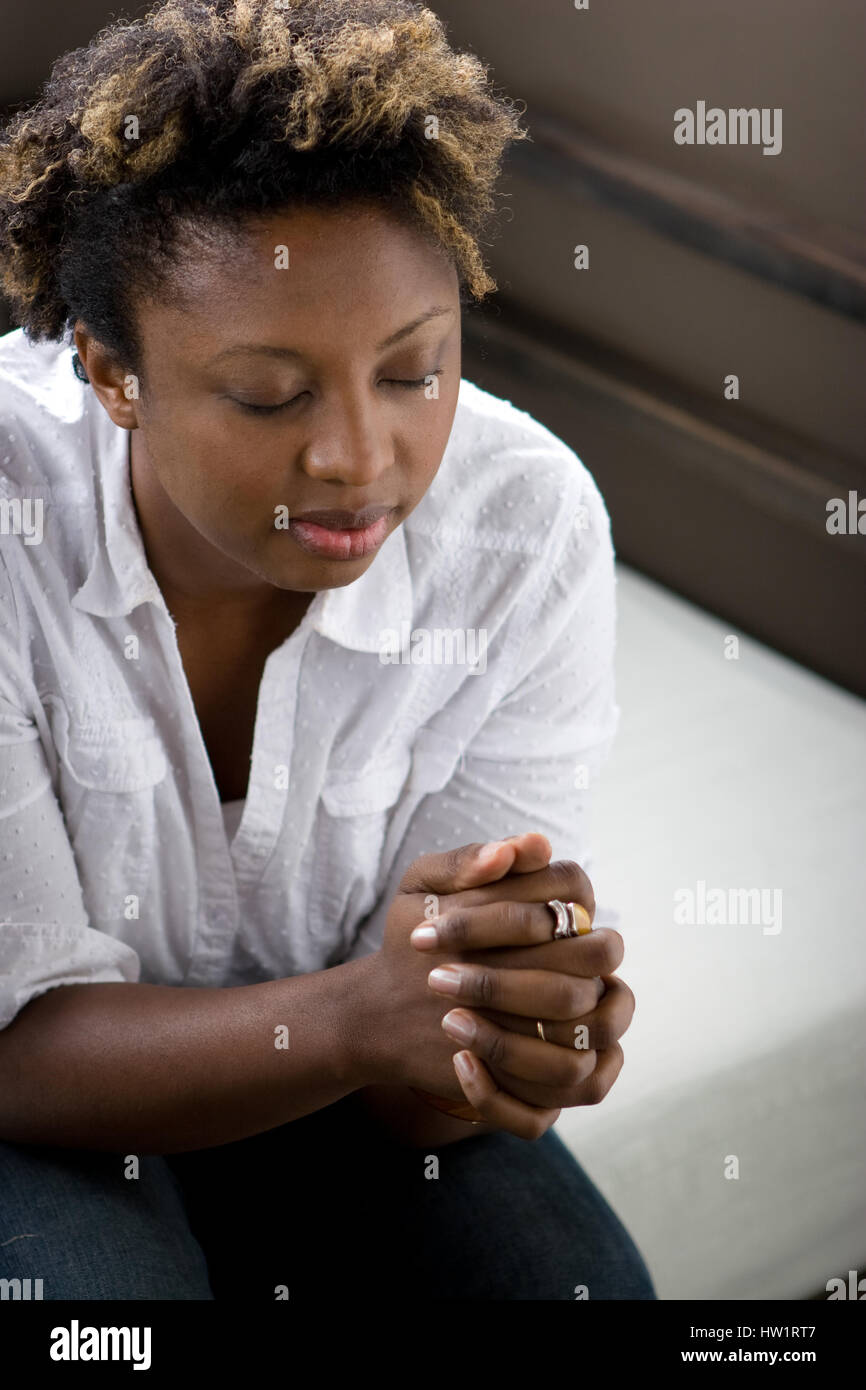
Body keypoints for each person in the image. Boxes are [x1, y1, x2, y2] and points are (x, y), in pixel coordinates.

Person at [0, 0, 655, 1300]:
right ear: (109, 372)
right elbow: (14, 1052)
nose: (358, 458)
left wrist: (505, 1035)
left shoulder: (521, 527)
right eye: (267, 393)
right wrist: (365, 1016)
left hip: (344, 1073)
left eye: (413, 370)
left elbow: (424, 1064)